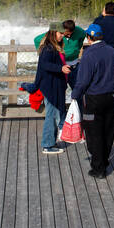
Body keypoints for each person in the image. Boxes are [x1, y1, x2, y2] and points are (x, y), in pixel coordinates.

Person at [71, 23, 114, 177]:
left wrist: (75, 95)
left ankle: (98, 168)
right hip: (111, 96)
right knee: (108, 130)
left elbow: (83, 80)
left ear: (89, 37)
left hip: (94, 98)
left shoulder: (89, 54)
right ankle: (104, 160)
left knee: (94, 132)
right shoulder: (111, 50)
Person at [34, 25, 71, 155]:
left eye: (63, 33)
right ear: (52, 33)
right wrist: (60, 69)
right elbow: (44, 65)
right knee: (51, 114)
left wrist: (63, 67)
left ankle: (51, 142)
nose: (62, 35)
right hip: (50, 86)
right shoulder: (48, 48)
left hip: (55, 85)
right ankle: (47, 145)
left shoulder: (54, 46)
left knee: (54, 114)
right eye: (59, 33)